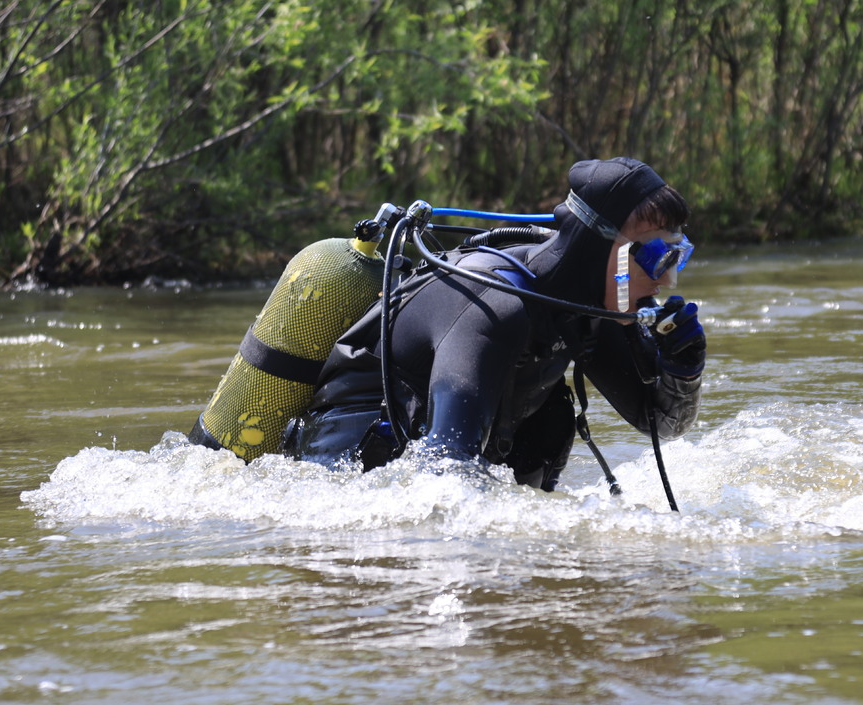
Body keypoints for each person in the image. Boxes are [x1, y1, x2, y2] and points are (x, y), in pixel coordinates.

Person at [282, 157, 705, 490]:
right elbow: (445, 473)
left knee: (551, 417)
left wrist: (683, 369)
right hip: (339, 487)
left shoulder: (587, 308)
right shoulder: (492, 306)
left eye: (678, 256)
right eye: (657, 257)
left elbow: (661, 424)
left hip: (423, 480)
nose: (669, 279)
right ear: (600, 248)